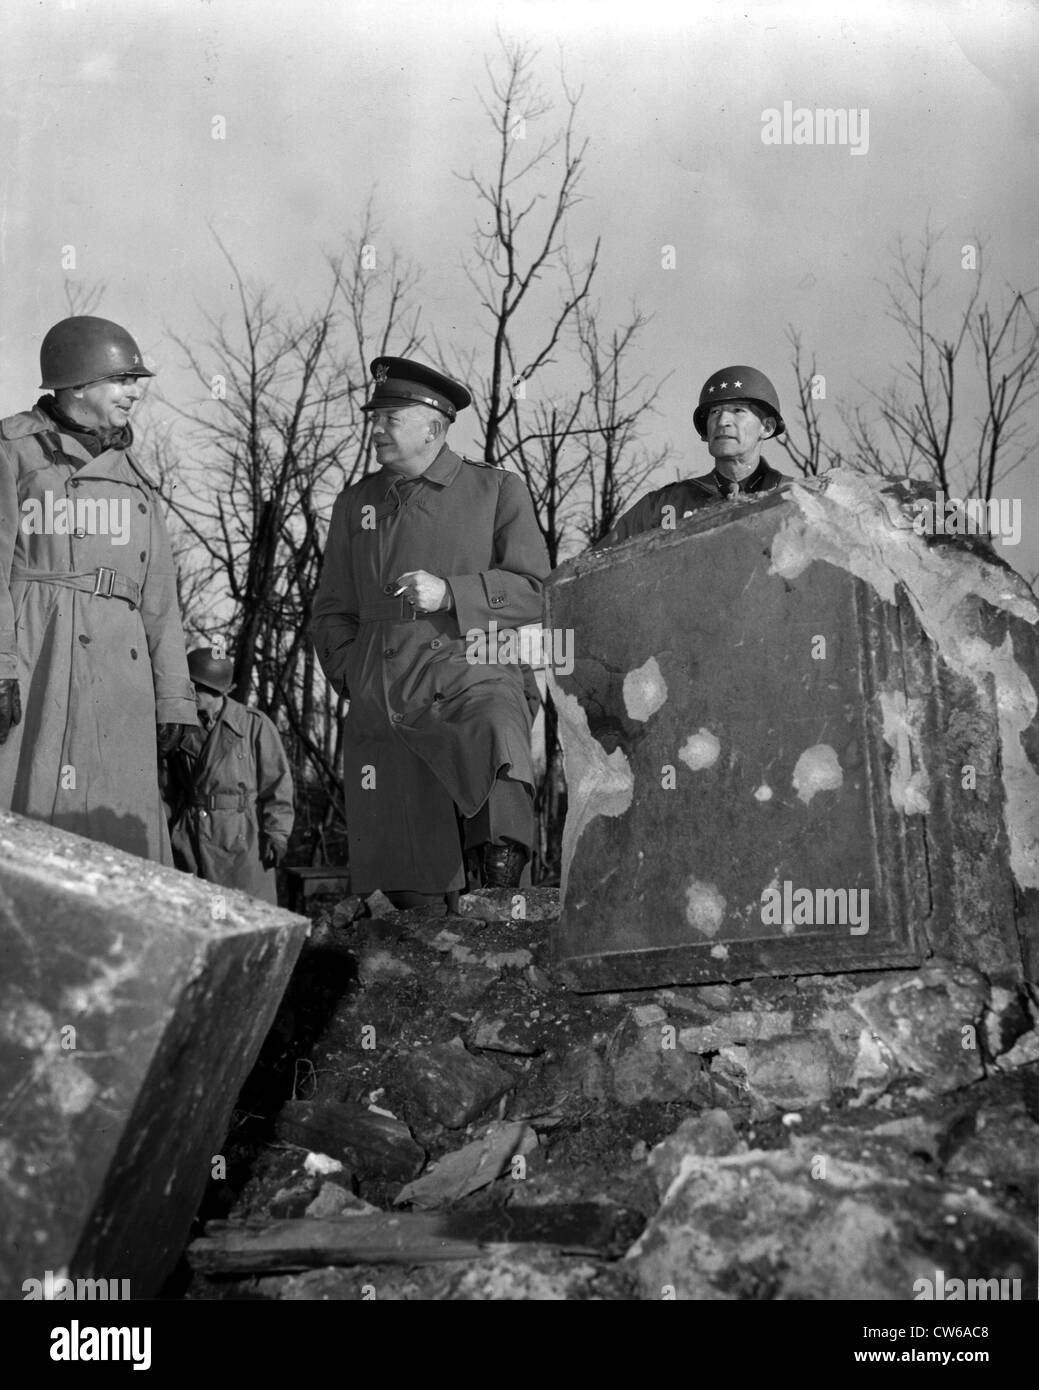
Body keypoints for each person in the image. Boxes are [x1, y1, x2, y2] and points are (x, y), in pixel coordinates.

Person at [311, 356, 550, 908]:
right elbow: (330, 609)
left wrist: (452, 593)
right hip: (384, 692)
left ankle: (499, 898)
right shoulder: (356, 504)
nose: (374, 430)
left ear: (434, 428)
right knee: (405, 892)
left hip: (472, 673)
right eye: (374, 417)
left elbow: (538, 592)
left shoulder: (496, 491)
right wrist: (354, 674)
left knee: (495, 741)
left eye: (389, 418)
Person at [0, 315, 197, 863]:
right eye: (123, 380)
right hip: (38, 658)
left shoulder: (137, 480)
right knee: (32, 822)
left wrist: (176, 700)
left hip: (121, 676)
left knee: (114, 831)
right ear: (78, 383)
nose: (134, 393)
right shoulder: (14, 450)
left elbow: (160, 601)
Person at [597, 366, 788, 547]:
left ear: (767, 427)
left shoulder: (795, 496)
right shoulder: (664, 504)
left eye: (738, 410)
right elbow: (592, 567)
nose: (722, 421)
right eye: (715, 412)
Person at [164, 647, 295, 904]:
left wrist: (277, 834)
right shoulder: (179, 727)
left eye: (195, 687)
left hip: (243, 839)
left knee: (247, 914)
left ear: (214, 690)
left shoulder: (253, 725)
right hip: (190, 836)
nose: (189, 693)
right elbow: (166, 787)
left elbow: (277, 784)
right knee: (197, 918)